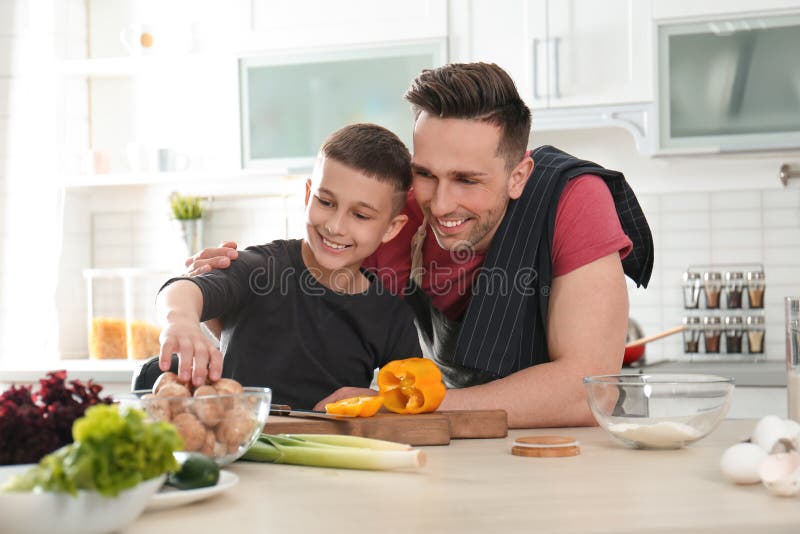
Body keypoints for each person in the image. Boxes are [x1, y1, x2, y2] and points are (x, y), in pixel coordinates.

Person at [187, 63, 654, 428]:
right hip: (454, 446)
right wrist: (221, 289)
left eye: (467, 180)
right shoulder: (393, 218)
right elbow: (294, 293)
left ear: (518, 176)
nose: (440, 203)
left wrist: (407, 405)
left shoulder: (573, 199)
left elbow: (589, 390)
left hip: (568, 454)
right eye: (426, 173)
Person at [156, 123, 421, 409]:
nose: (336, 226)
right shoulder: (260, 268)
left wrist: (380, 401)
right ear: (308, 195)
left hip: (329, 440)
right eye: (325, 202)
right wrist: (180, 320)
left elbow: (415, 396)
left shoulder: (391, 315)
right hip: (244, 437)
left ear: (391, 228)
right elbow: (183, 289)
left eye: (360, 215)